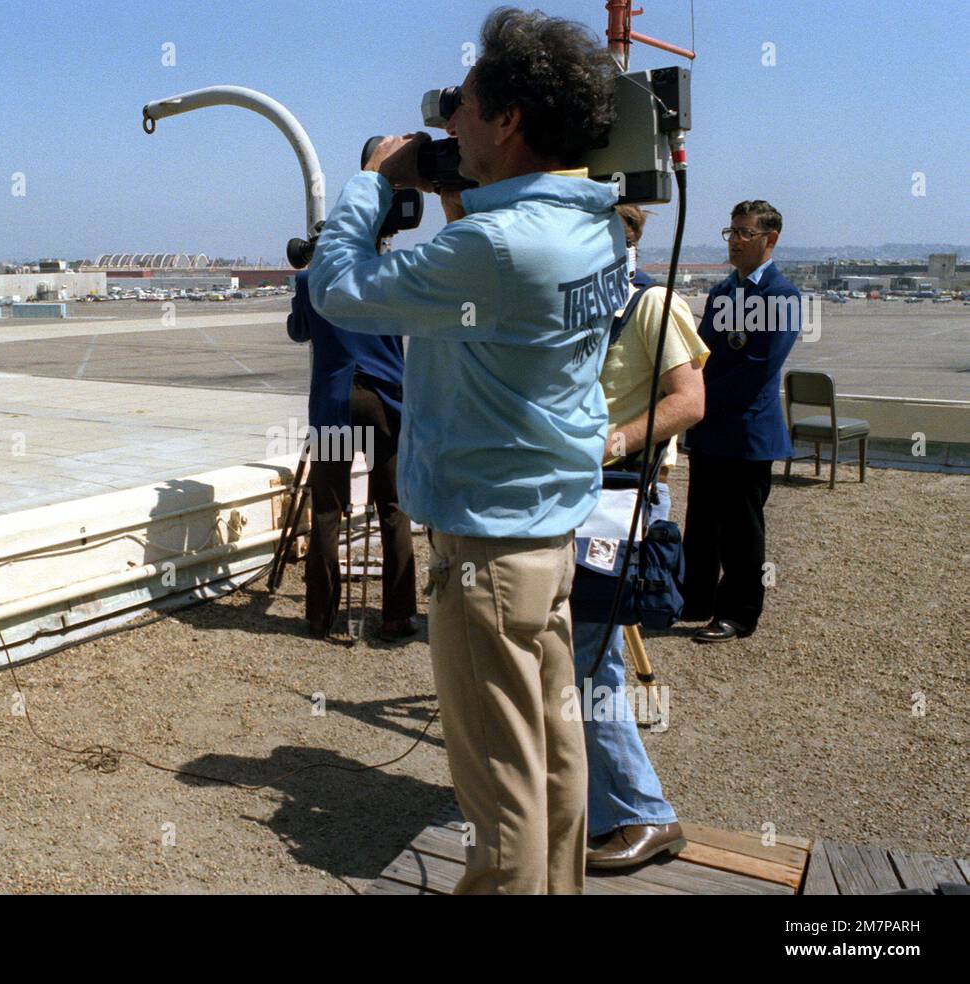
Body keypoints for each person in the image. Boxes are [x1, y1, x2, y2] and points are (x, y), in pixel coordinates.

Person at [309, 8, 622, 893]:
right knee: (557, 768)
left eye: (467, 106)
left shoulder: (494, 246)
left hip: (485, 557)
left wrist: (372, 182)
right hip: (548, 543)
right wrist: (464, 179)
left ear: (511, 118)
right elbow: (490, 282)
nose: (452, 121)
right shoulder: (596, 223)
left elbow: (338, 288)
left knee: (502, 800)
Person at [573, 205, 708, 868]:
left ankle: (639, 812)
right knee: (581, 658)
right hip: (579, 503)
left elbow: (690, 398)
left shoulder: (650, 305)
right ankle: (601, 804)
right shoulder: (585, 305)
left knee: (592, 661)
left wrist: (617, 440)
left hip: (619, 499)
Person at [681, 201, 800, 643]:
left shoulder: (780, 296)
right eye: (730, 231)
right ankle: (694, 599)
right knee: (702, 524)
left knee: (741, 532)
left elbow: (759, 366)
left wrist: (700, 397)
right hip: (712, 431)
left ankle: (738, 613)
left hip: (747, 432)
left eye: (744, 233)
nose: (734, 240)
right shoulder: (723, 292)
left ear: (770, 239)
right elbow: (703, 353)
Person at [287, 269, 418, 642]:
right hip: (384, 402)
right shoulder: (391, 275)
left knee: (327, 510)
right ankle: (396, 617)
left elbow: (299, 331)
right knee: (393, 508)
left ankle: (320, 616)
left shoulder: (311, 280)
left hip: (334, 403)